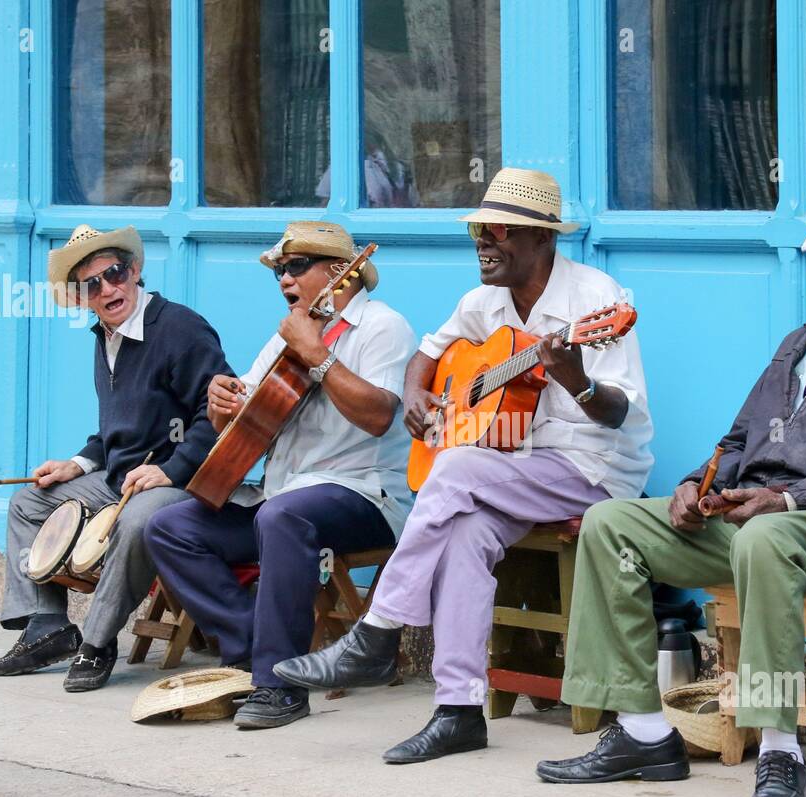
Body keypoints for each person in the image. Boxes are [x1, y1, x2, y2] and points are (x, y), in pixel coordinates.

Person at [535, 204, 806, 797]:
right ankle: (645, 734)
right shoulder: (801, 342)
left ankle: (780, 753)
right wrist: (694, 485)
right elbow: (738, 440)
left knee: (766, 536)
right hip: (757, 518)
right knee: (612, 524)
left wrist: (787, 499)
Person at [274, 168, 653, 763]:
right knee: (464, 535)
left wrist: (574, 378)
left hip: (590, 468)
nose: (483, 239)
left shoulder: (598, 300)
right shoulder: (483, 302)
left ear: (543, 239)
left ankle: (377, 631)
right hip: (510, 465)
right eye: (478, 228)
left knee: (454, 469)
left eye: (499, 230)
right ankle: (459, 711)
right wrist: (421, 396)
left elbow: (614, 416)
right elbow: (427, 353)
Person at [144, 222, 416, 729]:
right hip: (282, 496)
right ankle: (255, 648)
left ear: (340, 273)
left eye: (296, 267)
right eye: (280, 272)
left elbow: (379, 415)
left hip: (364, 494)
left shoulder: (383, 326)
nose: (284, 279)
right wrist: (222, 405)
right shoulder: (288, 332)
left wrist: (317, 353)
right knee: (168, 526)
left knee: (283, 515)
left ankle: (280, 688)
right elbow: (247, 415)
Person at [0, 224, 227, 692]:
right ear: (82, 297)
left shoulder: (178, 327)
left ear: (134, 271)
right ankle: (47, 624)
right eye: (91, 284)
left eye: (114, 273)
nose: (107, 288)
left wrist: (170, 469)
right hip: (122, 476)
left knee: (137, 521)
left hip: (186, 482)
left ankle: (97, 642)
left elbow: (219, 414)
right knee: (29, 503)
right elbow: (117, 430)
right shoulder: (107, 336)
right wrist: (77, 464)